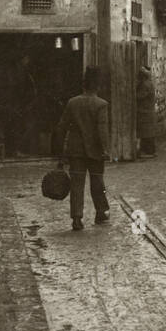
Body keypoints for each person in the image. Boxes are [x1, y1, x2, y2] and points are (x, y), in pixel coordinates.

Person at [56, 66, 110, 231]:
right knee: (97, 183)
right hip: (95, 151)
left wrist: (60, 151)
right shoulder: (101, 104)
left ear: (83, 85)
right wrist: (105, 149)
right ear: (98, 86)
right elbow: (102, 130)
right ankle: (100, 212)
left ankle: (77, 218)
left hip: (76, 151)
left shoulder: (72, 102)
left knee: (77, 184)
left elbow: (61, 127)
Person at [136, 64, 157, 156]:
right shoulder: (150, 83)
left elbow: (139, 96)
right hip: (148, 110)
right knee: (148, 132)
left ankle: (147, 151)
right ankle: (150, 151)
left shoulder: (145, 85)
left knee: (145, 132)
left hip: (145, 111)